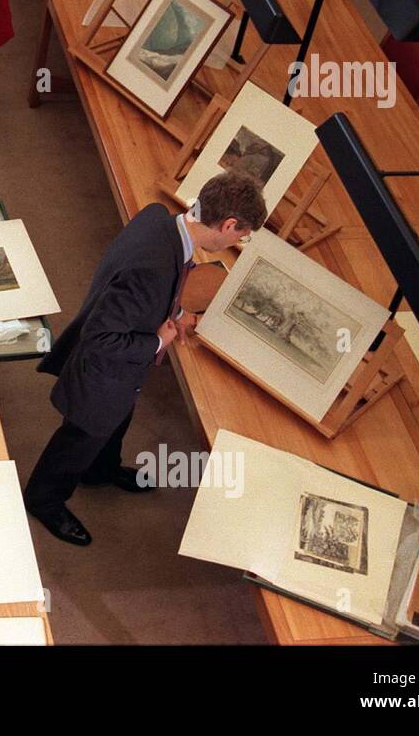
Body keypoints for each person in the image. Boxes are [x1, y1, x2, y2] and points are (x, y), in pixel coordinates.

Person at [24, 170, 268, 546]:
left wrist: (173, 313)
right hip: (101, 373)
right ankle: (43, 499)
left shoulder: (159, 219)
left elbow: (141, 295)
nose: (240, 240)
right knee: (80, 437)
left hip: (121, 376)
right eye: (242, 234)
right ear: (229, 224)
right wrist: (156, 342)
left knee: (116, 423)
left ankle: (100, 471)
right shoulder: (151, 270)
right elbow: (102, 339)